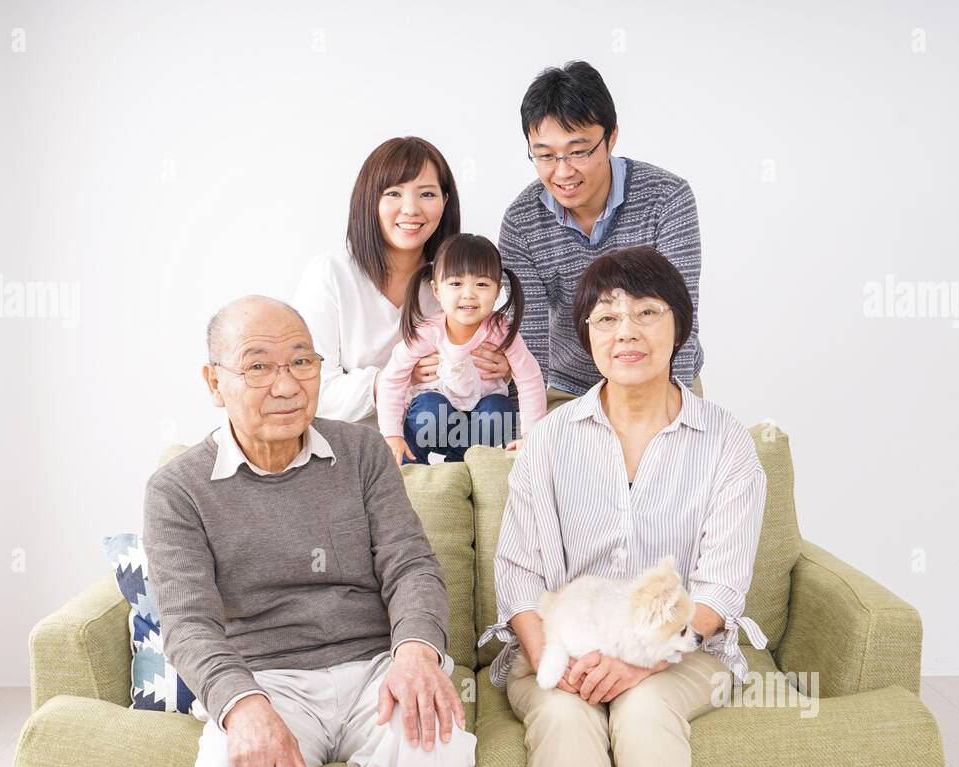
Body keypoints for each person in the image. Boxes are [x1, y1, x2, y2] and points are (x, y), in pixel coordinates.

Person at [144, 294, 476, 767]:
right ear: (214, 382)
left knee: (432, 743)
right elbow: (188, 624)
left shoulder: (363, 452)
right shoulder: (178, 489)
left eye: (302, 361)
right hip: (265, 679)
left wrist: (417, 652)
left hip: (378, 667)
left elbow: (411, 564)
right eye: (258, 366)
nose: (287, 384)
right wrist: (243, 706)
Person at [477, 247, 768, 767]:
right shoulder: (551, 439)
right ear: (586, 334)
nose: (626, 331)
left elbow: (719, 591)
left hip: (683, 650)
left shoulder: (726, 442)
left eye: (646, 312)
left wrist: (639, 662)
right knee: (562, 721)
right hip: (561, 649)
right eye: (606, 317)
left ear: (678, 327)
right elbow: (520, 580)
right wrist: (569, 665)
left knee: (643, 715)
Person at [499, 60, 706, 413]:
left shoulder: (666, 198)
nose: (562, 171)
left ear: (611, 137)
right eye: (545, 155)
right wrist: (528, 427)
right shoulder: (521, 222)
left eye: (579, 151)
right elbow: (528, 344)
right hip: (571, 390)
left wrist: (669, 409)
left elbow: (679, 321)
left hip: (662, 378)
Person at [293, 137, 514, 428]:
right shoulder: (330, 275)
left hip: (445, 449)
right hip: (355, 452)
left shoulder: (466, 280)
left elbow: (495, 373)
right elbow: (309, 389)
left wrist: (503, 369)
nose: (411, 209)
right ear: (370, 199)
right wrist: (392, 378)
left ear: (445, 202)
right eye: (394, 193)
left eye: (427, 194)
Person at [376, 233, 547, 465]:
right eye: (456, 283)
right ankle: (414, 466)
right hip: (432, 420)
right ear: (437, 291)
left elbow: (530, 379)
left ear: (497, 291)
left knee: (498, 408)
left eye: (482, 284)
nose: (469, 294)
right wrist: (392, 436)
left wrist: (531, 436)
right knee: (430, 408)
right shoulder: (427, 332)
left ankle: (464, 466)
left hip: (479, 421)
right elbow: (392, 380)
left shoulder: (501, 331)